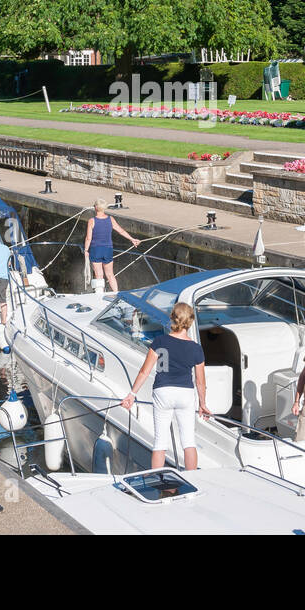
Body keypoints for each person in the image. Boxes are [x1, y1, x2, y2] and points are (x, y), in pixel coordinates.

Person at [121, 302, 210, 470]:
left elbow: (144, 372)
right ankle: (193, 479)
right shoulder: (196, 348)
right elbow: (200, 381)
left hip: (163, 392)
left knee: (160, 442)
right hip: (185, 394)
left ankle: (158, 480)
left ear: (172, 319)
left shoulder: (159, 341)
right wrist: (202, 404)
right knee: (189, 441)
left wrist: (132, 394)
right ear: (190, 321)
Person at [84, 198, 139, 292]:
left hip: (96, 250)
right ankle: (117, 294)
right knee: (110, 275)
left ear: (96, 208)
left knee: (99, 275)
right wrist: (132, 239)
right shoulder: (111, 219)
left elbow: (88, 238)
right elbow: (121, 230)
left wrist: (85, 250)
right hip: (107, 250)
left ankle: (99, 296)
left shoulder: (92, 221)